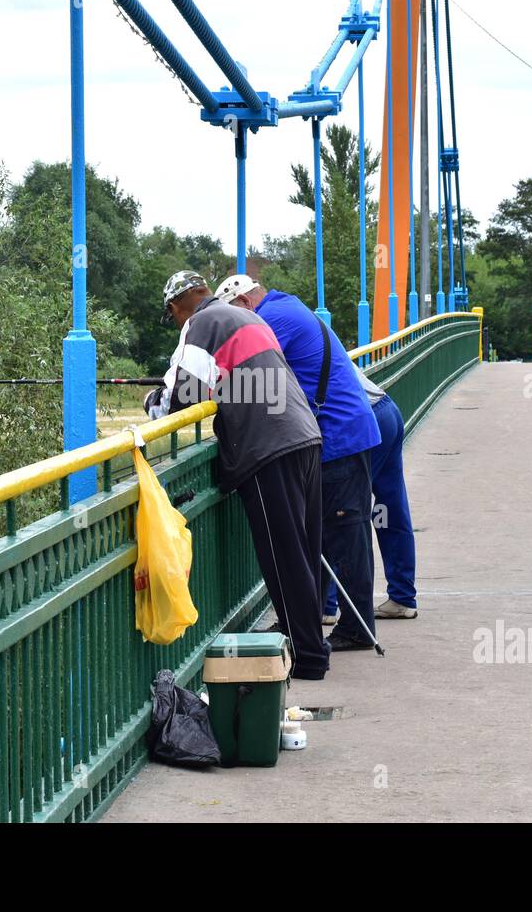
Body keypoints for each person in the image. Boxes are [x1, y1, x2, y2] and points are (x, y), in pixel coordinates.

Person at [149, 271, 331, 680]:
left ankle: (308, 658)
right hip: (304, 438)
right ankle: (310, 643)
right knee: (303, 551)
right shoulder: (248, 318)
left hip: (266, 449)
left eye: (174, 315)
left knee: (284, 559)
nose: (178, 323)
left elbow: (184, 396)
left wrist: (152, 403)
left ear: (180, 304)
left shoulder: (202, 322)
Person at [215, 275, 382, 653]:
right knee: (321, 534)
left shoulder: (269, 319)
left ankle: (357, 629)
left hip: (338, 436)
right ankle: (309, 619)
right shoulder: (283, 306)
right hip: (336, 433)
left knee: (345, 531)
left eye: (233, 315)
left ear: (242, 302)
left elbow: (248, 377)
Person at [321, 368, 419, 621]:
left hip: (360, 420)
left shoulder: (275, 339)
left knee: (339, 511)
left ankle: (326, 604)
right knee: (389, 509)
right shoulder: (310, 332)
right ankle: (402, 597)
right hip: (385, 409)